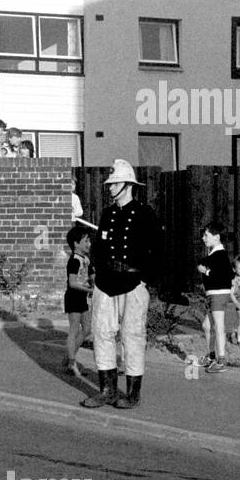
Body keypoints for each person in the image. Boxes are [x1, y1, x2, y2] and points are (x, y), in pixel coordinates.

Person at [82, 159, 162, 409]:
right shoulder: (108, 214)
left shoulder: (144, 213)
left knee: (132, 336)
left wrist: (145, 279)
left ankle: (132, 394)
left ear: (127, 185)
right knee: (102, 334)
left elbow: (158, 250)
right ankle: (107, 390)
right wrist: (96, 271)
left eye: (114, 183)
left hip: (132, 282)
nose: (109, 188)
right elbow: (100, 246)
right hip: (106, 282)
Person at [196, 223, 234, 372]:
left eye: (206, 235)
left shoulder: (220, 254)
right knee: (207, 325)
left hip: (218, 294)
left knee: (218, 325)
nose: (203, 238)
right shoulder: (215, 255)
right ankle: (211, 356)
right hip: (214, 294)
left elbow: (225, 275)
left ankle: (221, 361)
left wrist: (205, 272)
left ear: (217, 237)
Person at [64, 226, 92, 376]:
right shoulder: (74, 261)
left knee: (87, 328)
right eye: (86, 241)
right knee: (74, 329)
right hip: (73, 297)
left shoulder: (86, 259)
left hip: (82, 298)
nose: (89, 243)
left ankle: (70, 356)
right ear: (76, 243)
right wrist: (89, 290)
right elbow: (73, 283)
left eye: (89, 240)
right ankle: (71, 362)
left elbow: (91, 277)